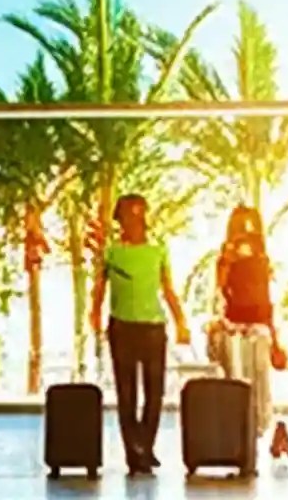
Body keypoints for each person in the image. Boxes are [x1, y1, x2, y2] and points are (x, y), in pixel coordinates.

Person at [90, 193, 191, 476]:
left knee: (155, 391)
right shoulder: (112, 253)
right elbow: (99, 287)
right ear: (119, 219)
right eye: (128, 214)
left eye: (139, 214)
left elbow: (168, 288)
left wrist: (181, 321)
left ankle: (145, 446)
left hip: (153, 327)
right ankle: (133, 452)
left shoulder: (157, 251)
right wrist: (94, 314)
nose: (135, 220)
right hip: (122, 327)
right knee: (127, 393)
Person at [213, 205, 280, 441]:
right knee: (235, 373)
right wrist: (228, 261)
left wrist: (276, 337)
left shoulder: (262, 258)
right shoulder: (226, 257)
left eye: (250, 226)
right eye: (240, 226)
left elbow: (265, 296)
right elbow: (219, 288)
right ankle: (235, 427)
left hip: (258, 321)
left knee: (260, 372)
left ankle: (258, 425)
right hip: (234, 322)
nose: (245, 231)